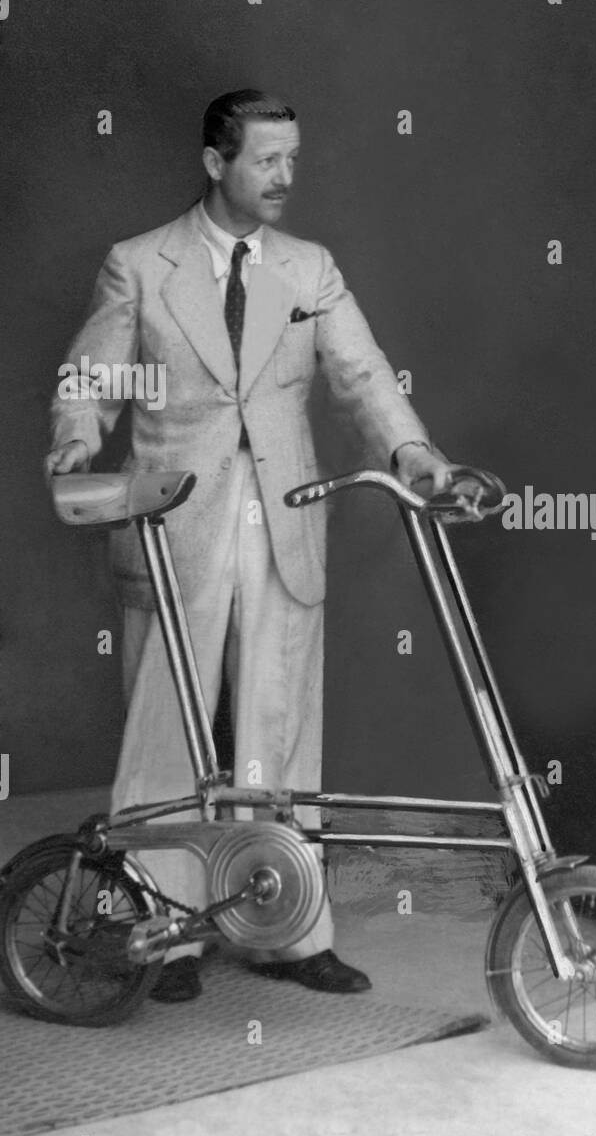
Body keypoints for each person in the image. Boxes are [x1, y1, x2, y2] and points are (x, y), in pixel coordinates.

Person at [46, 90, 457, 1003]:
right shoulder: (141, 264)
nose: (286, 178)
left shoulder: (308, 271)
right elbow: (95, 371)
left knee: (277, 729)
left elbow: (361, 376)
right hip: (173, 526)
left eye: (293, 160)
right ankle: (165, 936)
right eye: (268, 160)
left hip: (285, 520)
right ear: (214, 162)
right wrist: (77, 434)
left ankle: (288, 931)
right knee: (166, 736)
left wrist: (414, 454)